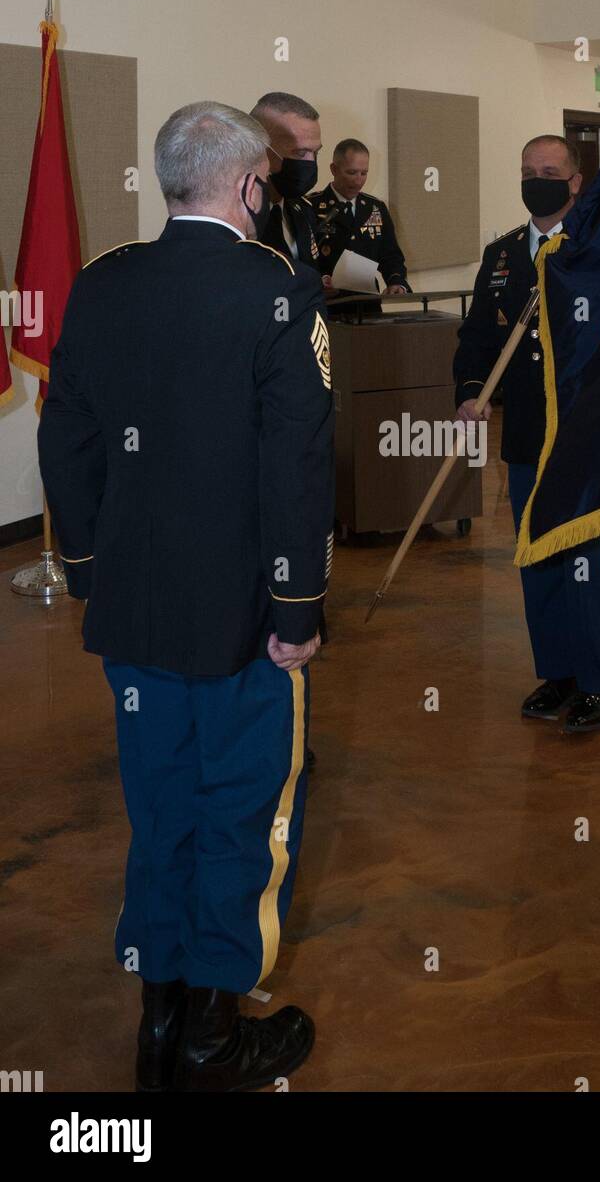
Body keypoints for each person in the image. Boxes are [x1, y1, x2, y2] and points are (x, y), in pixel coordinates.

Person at [38, 101, 335, 1089]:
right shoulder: (280, 291)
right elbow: (296, 465)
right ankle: (210, 1034)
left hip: (131, 609)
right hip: (246, 614)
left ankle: (157, 1026)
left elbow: (67, 440)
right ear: (251, 185)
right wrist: (297, 606)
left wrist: (88, 570)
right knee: (240, 812)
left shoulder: (104, 283)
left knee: (158, 807)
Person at [454, 135, 600, 735]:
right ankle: (557, 673)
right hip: (526, 435)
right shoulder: (501, 255)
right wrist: (471, 391)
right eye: (527, 171)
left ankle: (598, 683)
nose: (536, 180)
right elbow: (476, 337)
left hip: (586, 437)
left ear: (575, 181)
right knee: (538, 558)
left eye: (549, 171)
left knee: (587, 560)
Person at [250, 91, 333, 281]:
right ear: (259, 150)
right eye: (300, 153)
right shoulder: (235, 218)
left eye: (316, 153)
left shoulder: (302, 209)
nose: (310, 163)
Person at [311, 139, 411, 296]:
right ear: (334, 169)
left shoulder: (375, 207)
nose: (358, 180)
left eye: (364, 173)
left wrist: (396, 282)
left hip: (367, 303)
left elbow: (390, 255)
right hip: (328, 303)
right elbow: (302, 258)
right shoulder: (311, 206)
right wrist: (318, 279)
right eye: (351, 172)